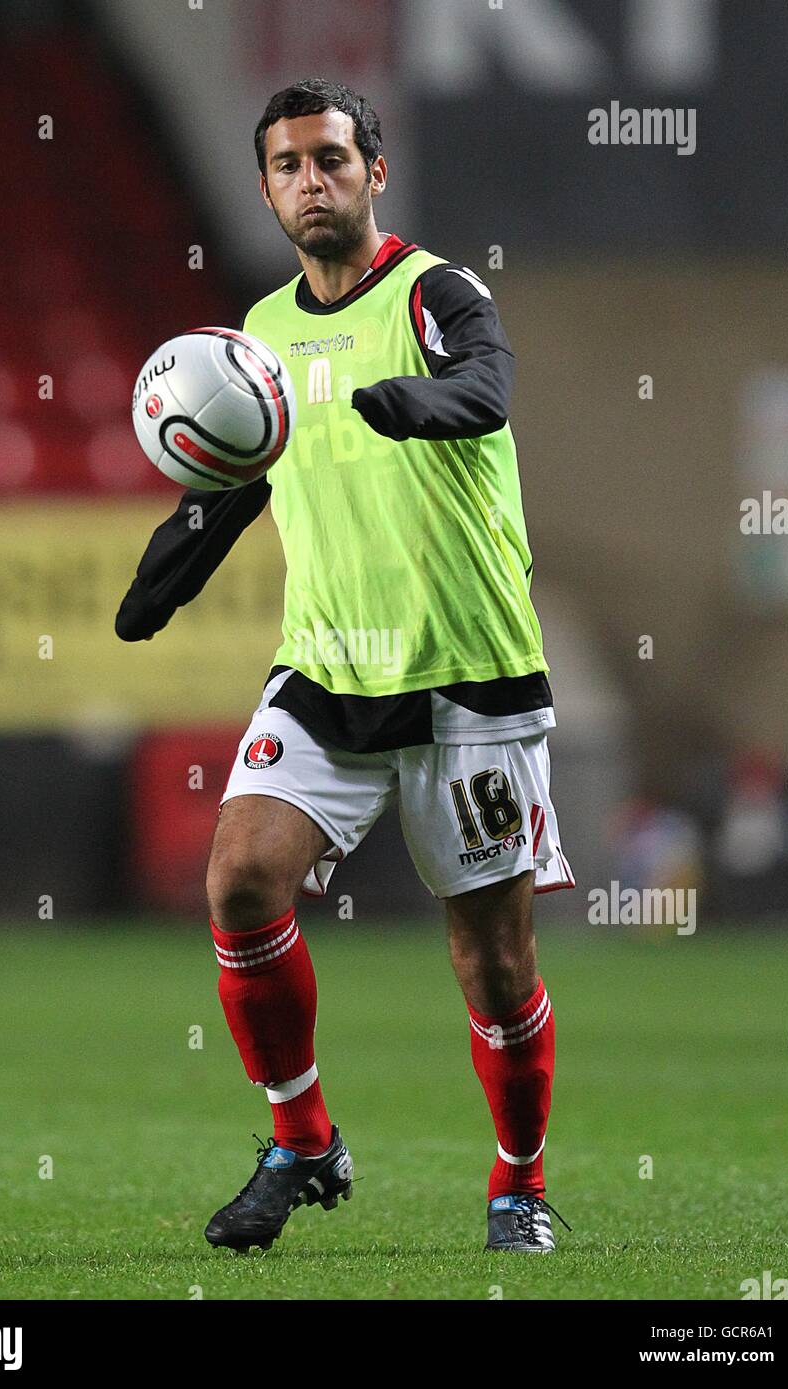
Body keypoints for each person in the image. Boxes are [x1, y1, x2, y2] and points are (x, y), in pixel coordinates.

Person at [116, 78, 574, 1254]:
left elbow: (487, 384)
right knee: (238, 880)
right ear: (265, 187)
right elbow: (238, 476)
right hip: (325, 670)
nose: (310, 183)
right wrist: (179, 552)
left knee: (492, 961)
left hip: (466, 678)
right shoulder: (257, 336)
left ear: (373, 169)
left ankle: (516, 1179)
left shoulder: (433, 292)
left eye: (330, 159)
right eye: (286, 166)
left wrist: (422, 403)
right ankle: (302, 1140)